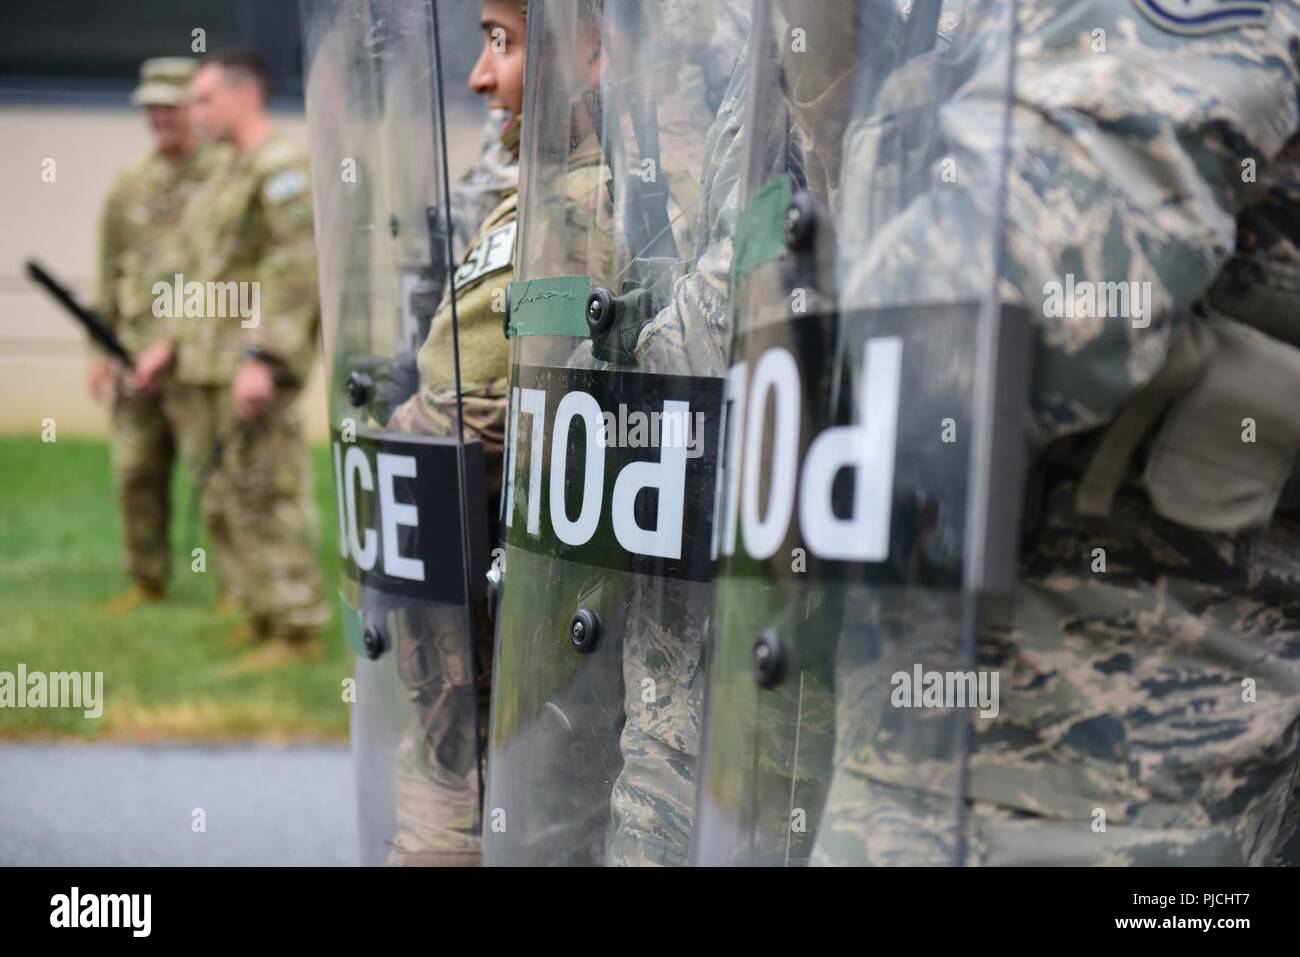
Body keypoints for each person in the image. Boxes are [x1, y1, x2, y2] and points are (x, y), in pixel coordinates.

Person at [378, 0, 526, 866]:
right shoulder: (516, 199)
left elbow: (478, 411)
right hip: (455, 672)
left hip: (508, 683)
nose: (478, 75)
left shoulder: (581, 207)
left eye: (502, 42)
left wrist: (404, 430)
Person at [132, 50, 328, 666]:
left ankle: (297, 626)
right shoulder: (227, 171)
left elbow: (296, 267)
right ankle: (260, 610)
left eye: (205, 99)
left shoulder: (280, 169)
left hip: (247, 366)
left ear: (245, 96)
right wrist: (168, 343)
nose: (195, 112)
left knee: (263, 490)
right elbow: (207, 274)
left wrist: (261, 357)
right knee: (223, 495)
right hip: (205, 365)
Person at [92, 57, 219, 614]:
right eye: (152, 108)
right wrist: (99, 351)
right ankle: (146, 578)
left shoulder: (223, 178)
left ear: (195, 109)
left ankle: (241, 589)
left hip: (201, 355)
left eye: (171, 106)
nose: (160, 117)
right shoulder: (129, 186)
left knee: (217, 477)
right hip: (135, 355)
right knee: (135, 471)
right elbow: (107, 273)